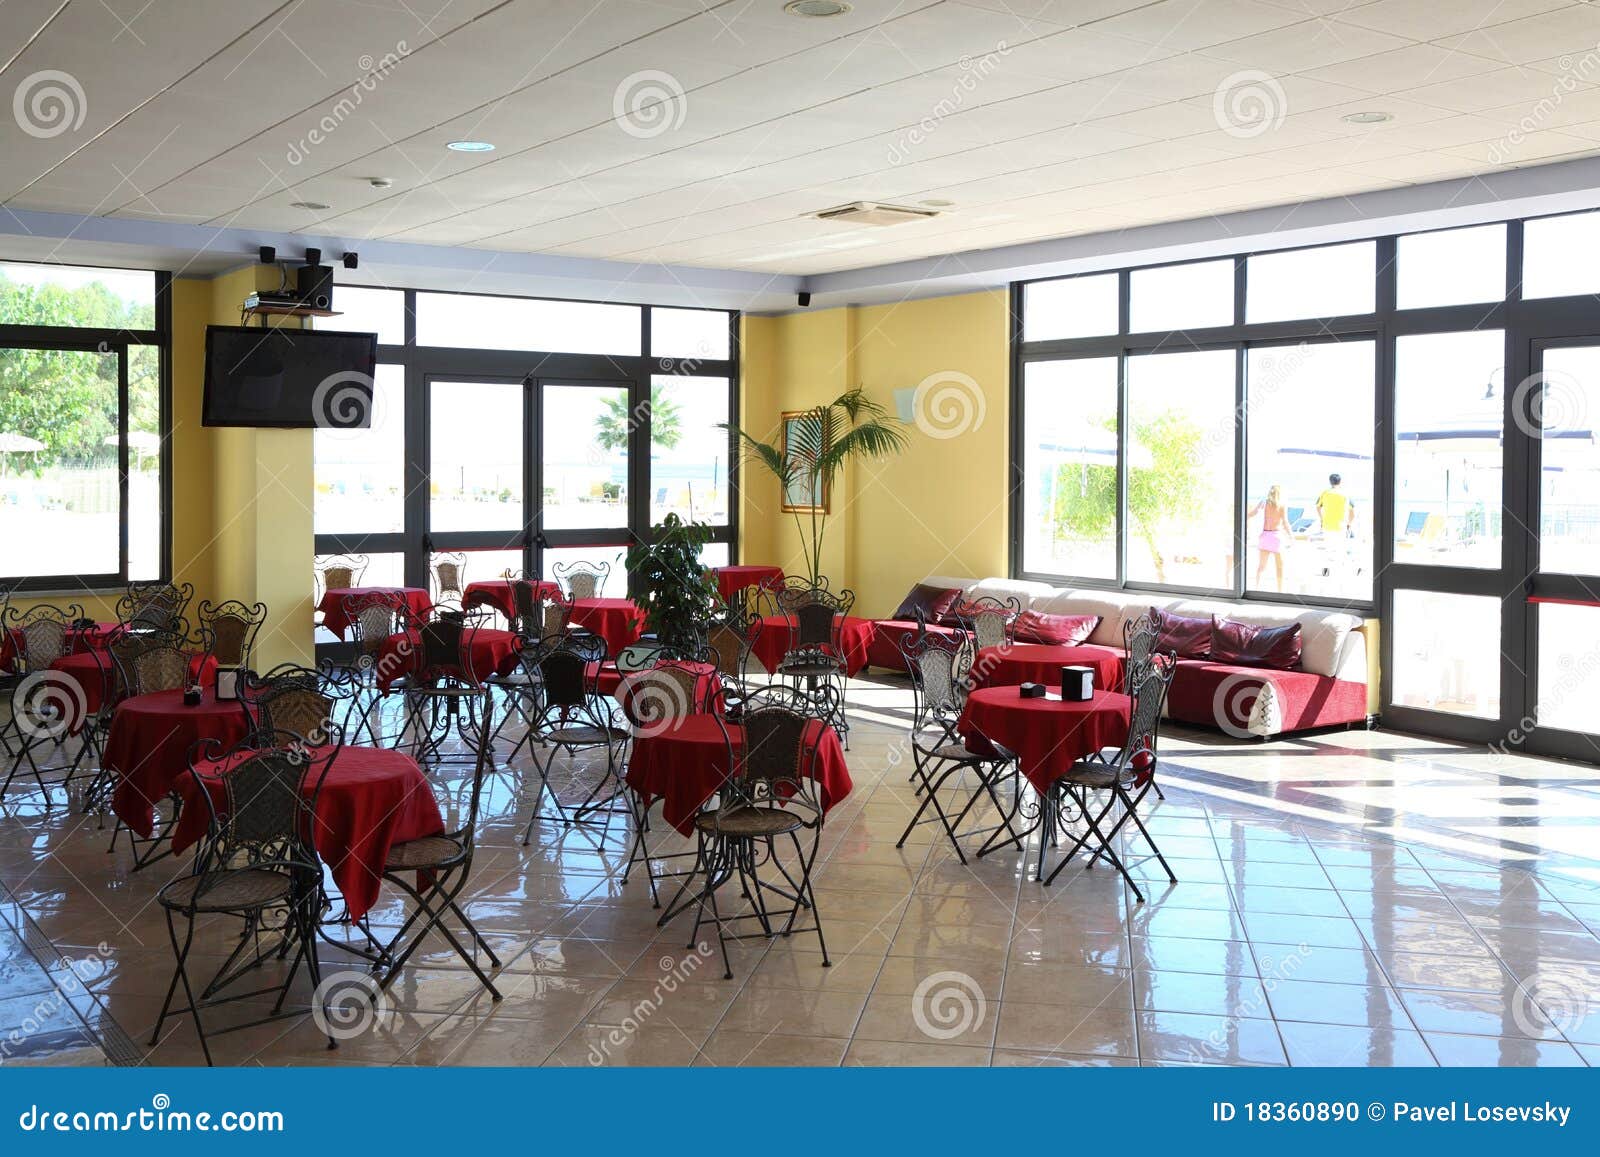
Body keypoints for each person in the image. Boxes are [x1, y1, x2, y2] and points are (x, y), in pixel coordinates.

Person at [1248, 484, 1289, 592]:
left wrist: (1242, 517)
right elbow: (1285, 522)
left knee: (1261, 567)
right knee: (1279, 567)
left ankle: (1257, 589)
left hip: (1264, 536)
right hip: (1276, 537)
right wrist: (1291, 536)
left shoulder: (1263, 503)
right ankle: (1280, 591)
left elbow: (1251, 514)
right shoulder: (1282, 505)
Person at [1316, 473, 1355, 538]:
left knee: (1328, 547)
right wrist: (1349, 524)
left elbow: (1318, 507)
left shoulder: (1324, 493)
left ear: (1330, 482)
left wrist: (1322, 519)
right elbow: (1353, 514)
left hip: (1326, 526)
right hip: (1341, 527)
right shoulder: (1346, 494)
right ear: (1340, 482)